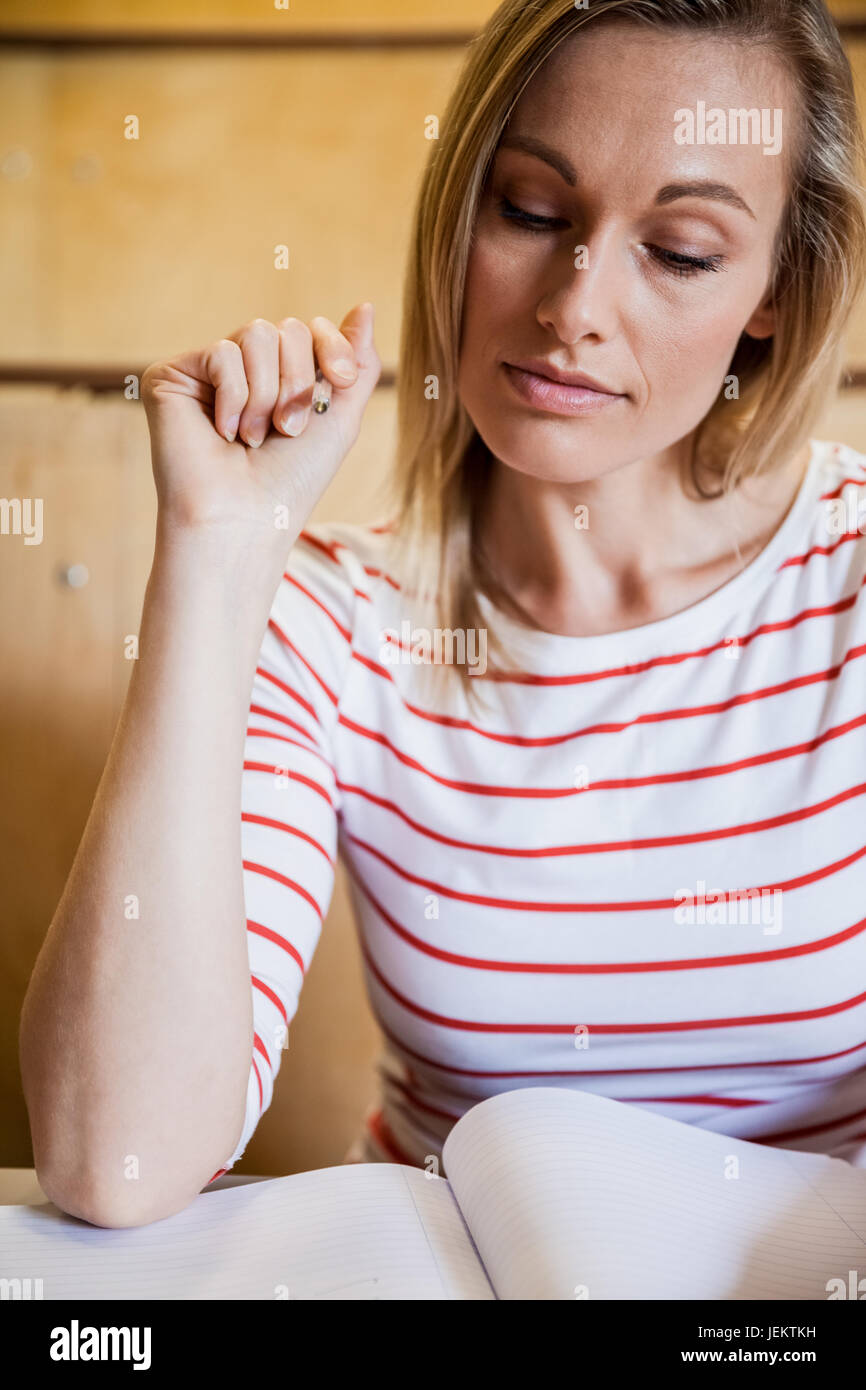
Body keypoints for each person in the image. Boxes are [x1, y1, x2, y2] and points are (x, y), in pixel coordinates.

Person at [20, 0, 866, 1229]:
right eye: (529, 211)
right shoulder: (329, 611)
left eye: (677, 250)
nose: (573, 304)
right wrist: (214, 554)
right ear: (458, 207)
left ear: (774, 294)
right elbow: (118, 1158)